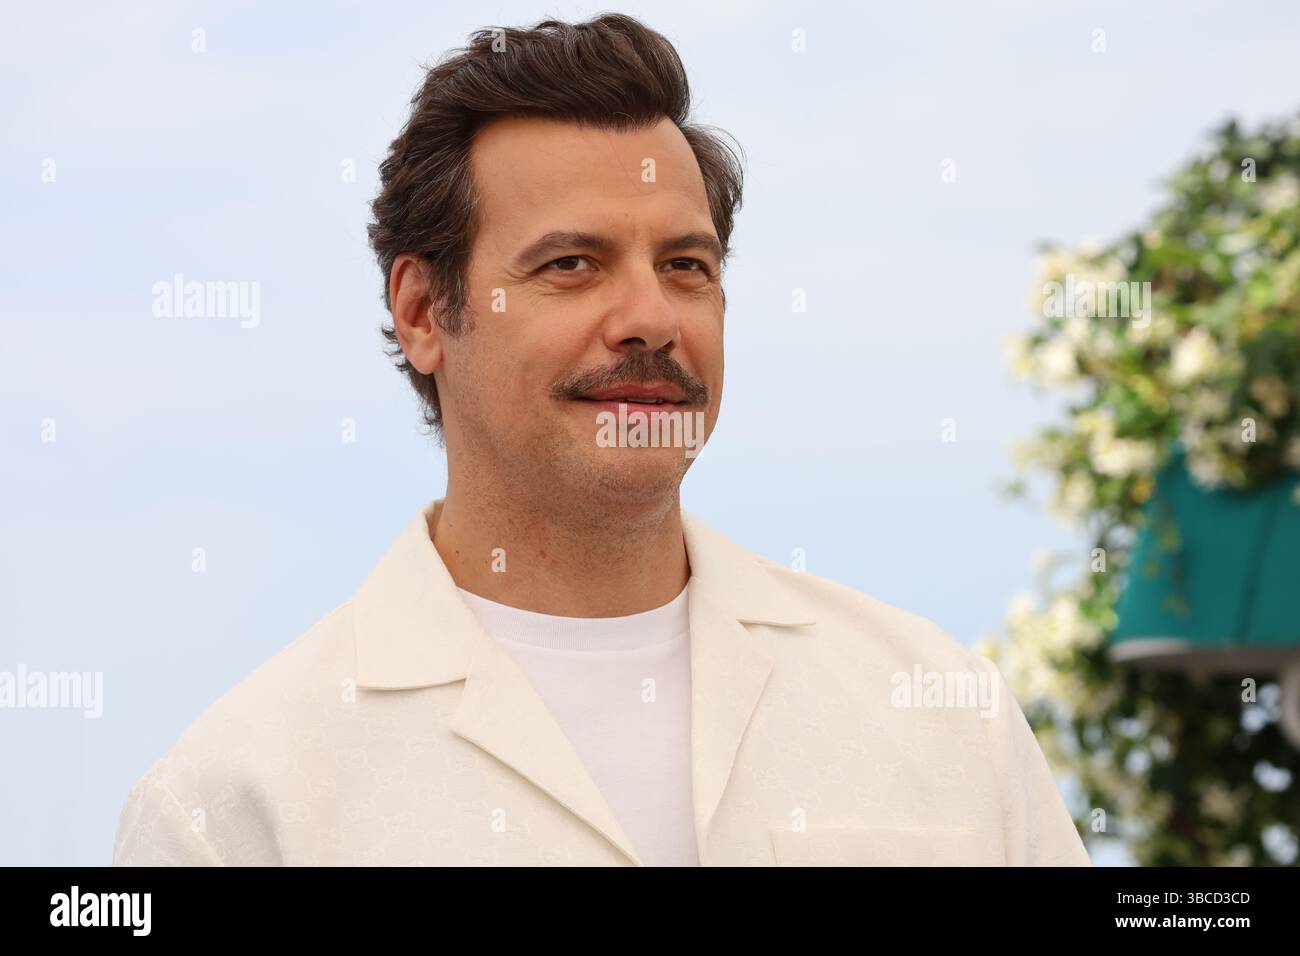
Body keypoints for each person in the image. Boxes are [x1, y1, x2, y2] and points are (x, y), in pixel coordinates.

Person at [112, 13, 1090, 867]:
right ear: (422, 311)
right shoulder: (240, 803)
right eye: (572, 264)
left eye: (685, 263)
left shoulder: (937, 708)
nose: (650, 317)